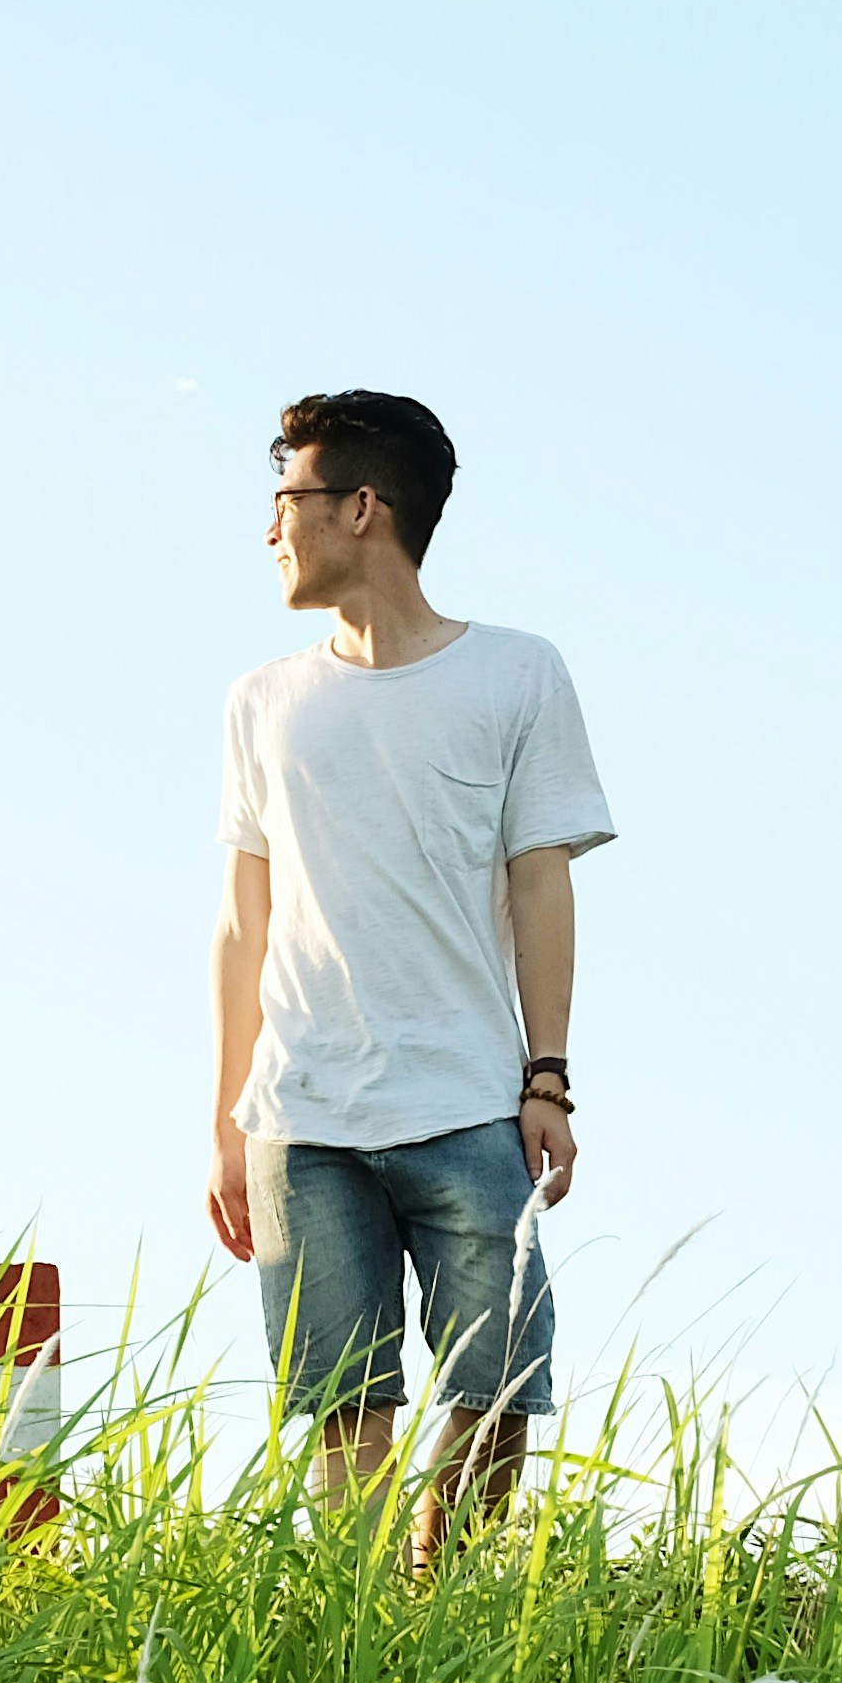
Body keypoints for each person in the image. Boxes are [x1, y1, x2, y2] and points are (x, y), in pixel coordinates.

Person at [202, 390, 615, 1564]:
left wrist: (549, 1079)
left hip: (469, 1102)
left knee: (500, 1392)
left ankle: (448, 1615)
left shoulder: (517, 675)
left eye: (287, 501)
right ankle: (366, 1646)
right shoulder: (262, 703)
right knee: (345, 1408)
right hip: (303, 1114)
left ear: (363, 507)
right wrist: (226, 1122)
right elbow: (244, 923)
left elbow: (543, 883)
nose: (271, 529)